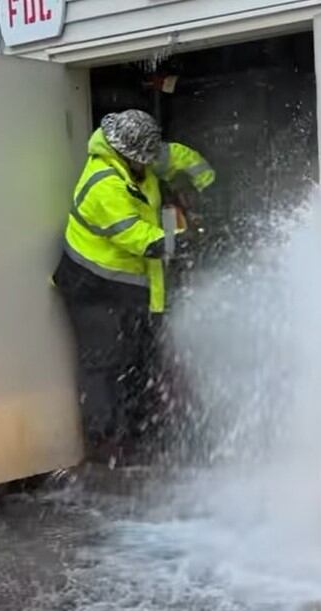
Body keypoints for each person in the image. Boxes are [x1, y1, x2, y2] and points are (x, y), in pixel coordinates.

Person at [54, 109, 214, 467]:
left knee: (136, 359)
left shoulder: (143, 157)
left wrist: (206, 187)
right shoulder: (104, 185)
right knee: (103, 365)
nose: (148, 164)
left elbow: (180, 158)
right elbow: (138, 238)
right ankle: (105, 444)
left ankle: (139, 433)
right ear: (124, 154)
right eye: (142, 160)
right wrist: (184, 240)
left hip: (127, 285)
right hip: (91, 286)